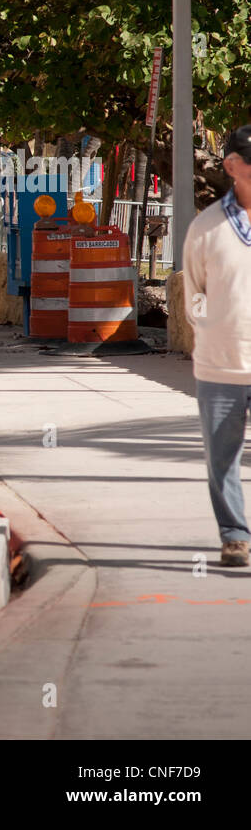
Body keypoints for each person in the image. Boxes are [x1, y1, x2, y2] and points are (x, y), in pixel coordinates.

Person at [184, 124, 251, 566]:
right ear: (232, 166)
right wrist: (212, 329)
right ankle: (234, 536)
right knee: (222, 459)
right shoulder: (206, 228)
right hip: (220, 367)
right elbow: (195, 294)